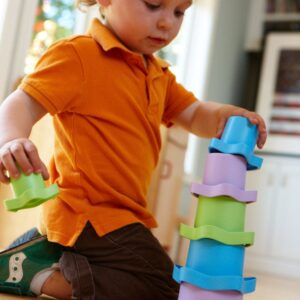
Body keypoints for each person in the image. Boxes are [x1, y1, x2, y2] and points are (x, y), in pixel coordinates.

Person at [0, 0, 267, 299]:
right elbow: (21, 102)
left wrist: (224, 116)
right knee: (164, 288)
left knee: (154, 277)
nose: (168, 22)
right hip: (87, 211)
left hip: (123, 215)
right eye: (153, 5)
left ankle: (38, 257)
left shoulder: (157, 73)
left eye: (179, 12)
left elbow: (193, 114)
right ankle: (42, 277)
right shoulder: (78, 55)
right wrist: (10, 139)